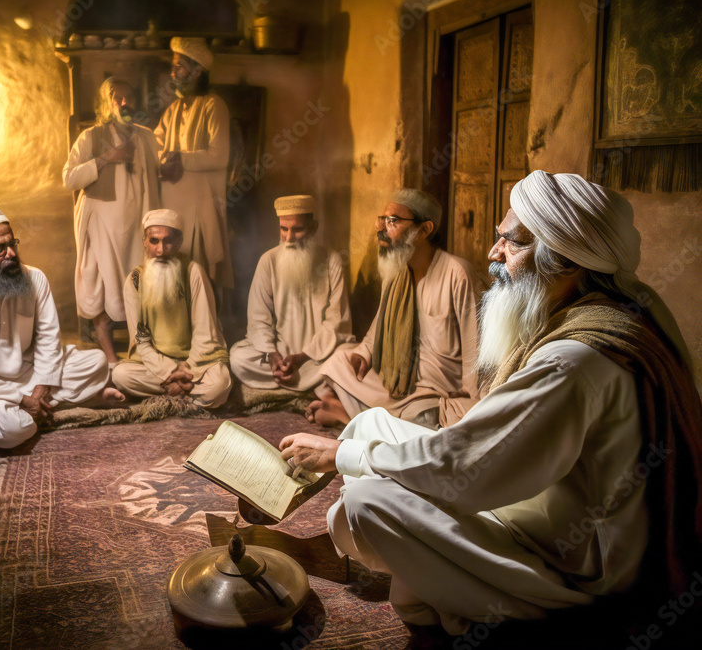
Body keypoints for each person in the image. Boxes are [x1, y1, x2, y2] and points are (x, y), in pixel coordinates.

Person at [278, 171, 702, 642]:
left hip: (568, 563)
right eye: (499, 238)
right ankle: (426, 570)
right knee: (371, 422)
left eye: (512, 243)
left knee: (365, 501)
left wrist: (340, 457)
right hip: (537, 498)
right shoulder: (604, 311)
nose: (493, 254)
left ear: (565, 260)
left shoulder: (575, 360)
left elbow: (466, 464)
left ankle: (474, 602)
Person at [0, 207, 120, 448]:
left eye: (11, 243)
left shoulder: (35, 279)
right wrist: (22, 399)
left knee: (97, 363)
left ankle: (40, 408)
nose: (10, 253)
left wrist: (41, 386)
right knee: (14, 428)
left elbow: (48, 339)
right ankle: (53, 408)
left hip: (28, 376)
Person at [309, 188, 481, 429]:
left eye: (393, 221)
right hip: (396, 379)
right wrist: (363, 354)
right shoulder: (396, 271)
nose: (381, 228)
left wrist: (472, 403)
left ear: (424, 230)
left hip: (435, 392)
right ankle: (372, 419)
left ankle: (348, 416)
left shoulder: (457, 273)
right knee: (338, 361)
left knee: (430, 416)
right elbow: (376, 331)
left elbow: (477, 348)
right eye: (382, 220)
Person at [64, 77, 161, 363]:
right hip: (101, 224)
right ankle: (110, 357)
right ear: (106, 104)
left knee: (137, 284)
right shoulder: (90, 137)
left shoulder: (146, 137)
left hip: (136, 224)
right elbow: (69, 178)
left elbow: (156, 176)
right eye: (116, 98)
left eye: (127, 97)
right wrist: (108, 157)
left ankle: (137, 351)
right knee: (103, 281)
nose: (123, 102)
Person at [230, 195, 356, 392]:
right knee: (238, 357)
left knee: (347, 355)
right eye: (284, 229)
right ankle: (301, 378)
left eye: (297, 229)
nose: (289, 237)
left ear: (313, 228)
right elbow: (258, 317)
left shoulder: (331, 260)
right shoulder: (268, 260)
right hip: (282, 352)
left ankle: (292, 378)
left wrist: (303, 356)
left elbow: (337, 319)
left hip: (318, 353)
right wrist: (273, 357)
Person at [111, 209, 232, 407]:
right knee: (121, 375)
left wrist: (187, 369)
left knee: (220, 384)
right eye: (154, 241)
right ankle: (185, 393)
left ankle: (170, 394)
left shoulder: (193, 272)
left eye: (168, 241)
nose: (161, 249)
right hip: (156, 365)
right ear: (144, 241)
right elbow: (141, 340)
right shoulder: (135, 279)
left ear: (179, 242)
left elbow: (205, 332)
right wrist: (170, 371)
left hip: (196, 362)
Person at [154, 36, 232, 291]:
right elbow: (156, 146)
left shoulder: (214, 106)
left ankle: (205, 326)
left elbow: (219, 155)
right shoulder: (174, 109)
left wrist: (180, 158)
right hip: (173, 206)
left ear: (197, 71)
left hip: (201, 204)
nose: (173, 73)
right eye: (173, 67)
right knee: (174, 273)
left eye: (180, 67)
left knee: (199, 272)